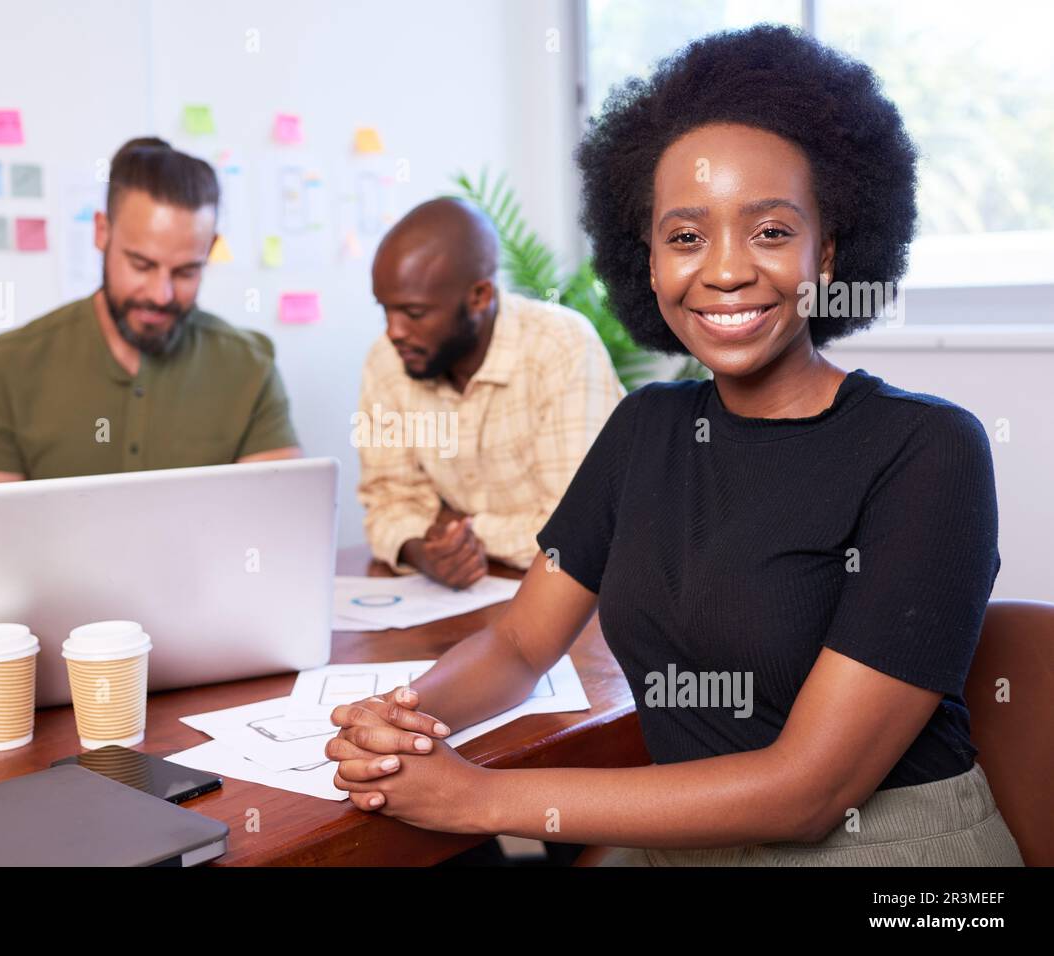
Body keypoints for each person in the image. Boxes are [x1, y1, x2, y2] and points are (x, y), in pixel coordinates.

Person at [323, 25, 1024, 865]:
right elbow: (518, 646)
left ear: (828, 253)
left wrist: (478, 798)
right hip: (690, 843)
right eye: (686, 237)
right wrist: (403, 715)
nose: (723, 271)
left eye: (769, 231)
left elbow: (811, 792)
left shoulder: (927, 450)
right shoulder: (646, 427)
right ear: (647, 261)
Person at [0, 137, 301, 562]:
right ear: (102, 231)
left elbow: (279, 517)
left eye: (187, 271)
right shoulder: (13, 363)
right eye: (141, 265)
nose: (161, 294)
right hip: (54, 619)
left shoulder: (249, 366)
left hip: (206, 615)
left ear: (209, 251)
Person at [358, 198, 621, 587]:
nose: (393, 331)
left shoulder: (560, 345)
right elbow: (386, 502)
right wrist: (425, 551)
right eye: (385, 310)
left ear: (479, 297)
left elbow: (581, 534)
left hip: (579, 600)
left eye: (413, 313)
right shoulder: (387, 360)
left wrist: (461, 530)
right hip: (465, 596)